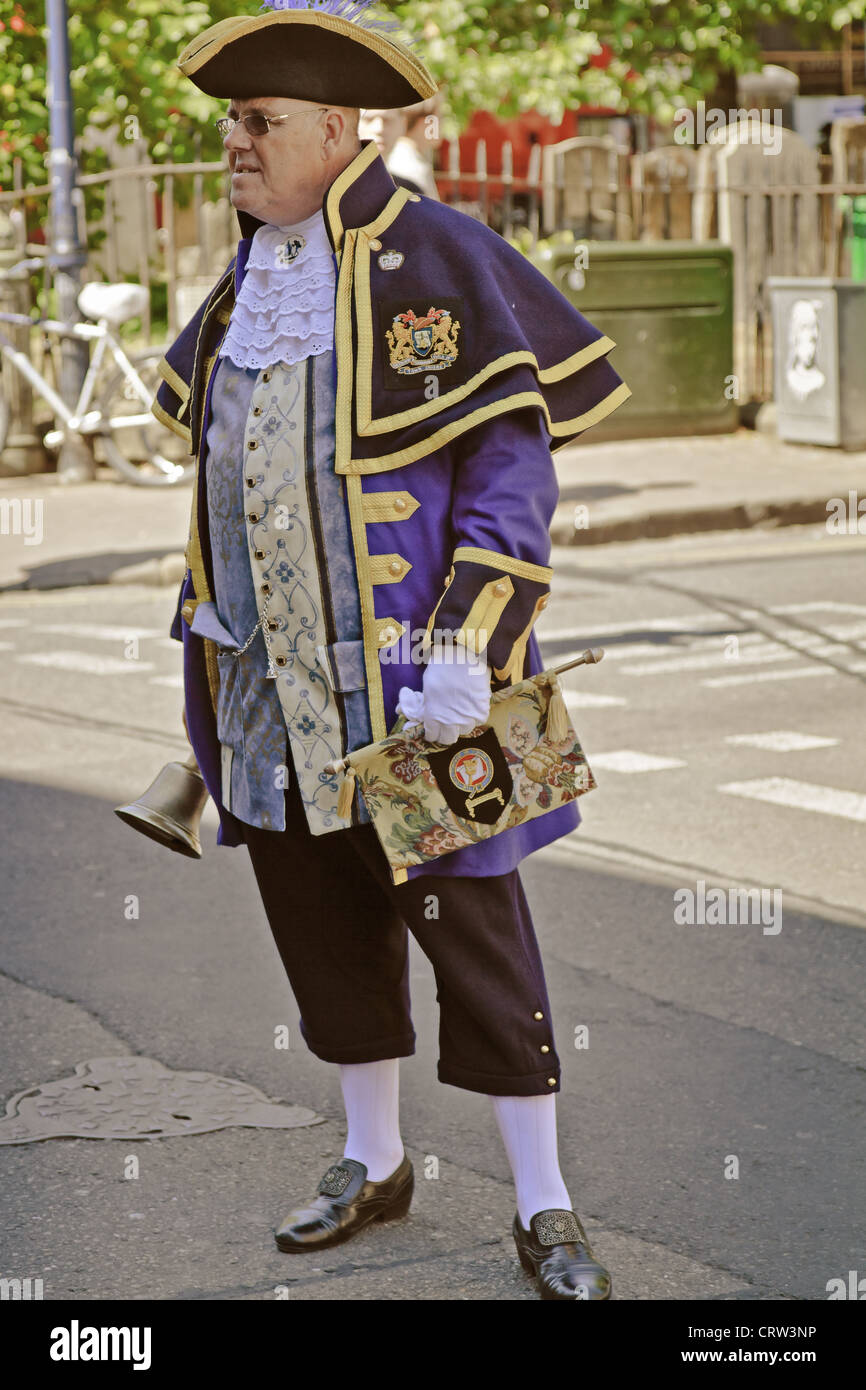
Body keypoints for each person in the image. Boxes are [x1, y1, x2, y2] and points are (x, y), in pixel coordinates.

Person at [155, 0, 630, 1301]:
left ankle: (543, 1199)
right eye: (232, 125)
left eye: (258, 124)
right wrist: (206, 628)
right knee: (324, 933)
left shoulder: (439, 259)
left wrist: (473, 645)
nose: (235, 148)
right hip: (271, 704)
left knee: (480, 945)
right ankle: (374, 1160)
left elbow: (509, 472)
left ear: (336, 128)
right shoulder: (244, 282)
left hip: (427, 695)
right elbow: (218, 481)